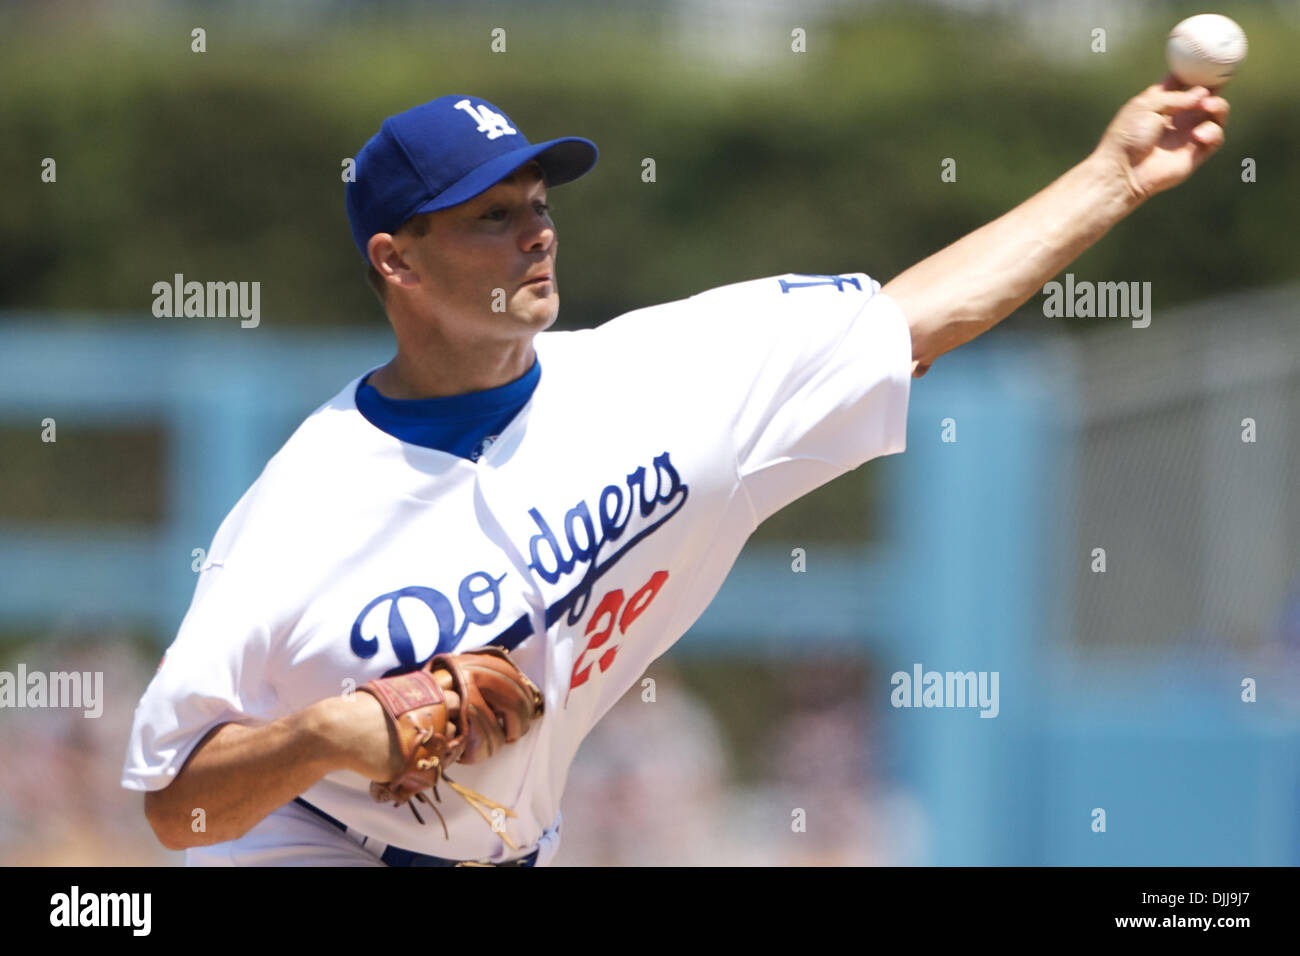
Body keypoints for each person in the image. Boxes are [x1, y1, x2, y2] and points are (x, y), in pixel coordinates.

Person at [122, 85, 1228, 866]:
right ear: (396, 260)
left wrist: (1113, 177)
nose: (536, 236)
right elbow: (178, 811)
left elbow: (916, 318)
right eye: (491, 217)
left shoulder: (662, 375)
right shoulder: (301, 505)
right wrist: (318, 736)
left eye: (541, 205)